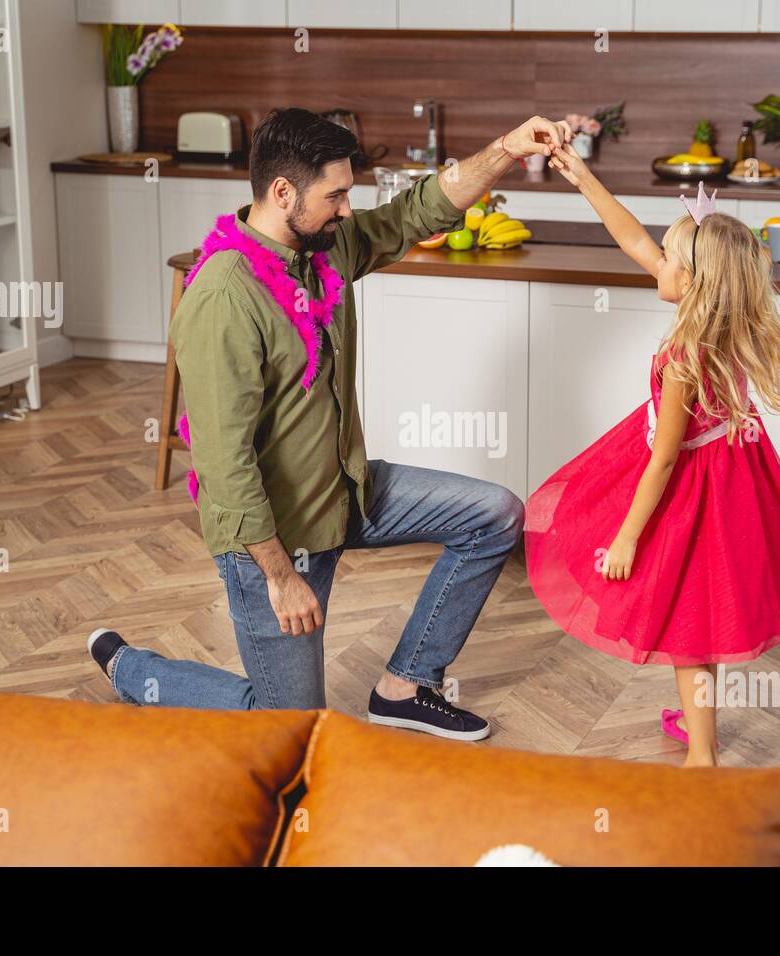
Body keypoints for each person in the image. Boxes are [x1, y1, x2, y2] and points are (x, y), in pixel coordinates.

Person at [88, 107, 575, 742]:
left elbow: (414, 214)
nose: (349, 209)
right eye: (337, 195)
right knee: (294, 729)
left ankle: (405, 685)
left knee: (496, 515)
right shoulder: (222, 299)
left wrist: (508, 148)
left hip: (347, 490)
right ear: (283, 192)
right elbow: (223, 466)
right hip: (275, 537)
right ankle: (133, 669)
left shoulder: (322, 242)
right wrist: (281, 579)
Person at [525, 145, 780, 765]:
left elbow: (663, 461)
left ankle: (702, 756)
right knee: (700, 616)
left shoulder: (682, 362)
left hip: (690, 491)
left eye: (667, 258)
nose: (655, 261)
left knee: (687, 624)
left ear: (692, 282)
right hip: (732, 479)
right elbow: (633, 239)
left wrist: (626, 538)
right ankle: (698, 728)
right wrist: (585, 179)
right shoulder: (722, 327)